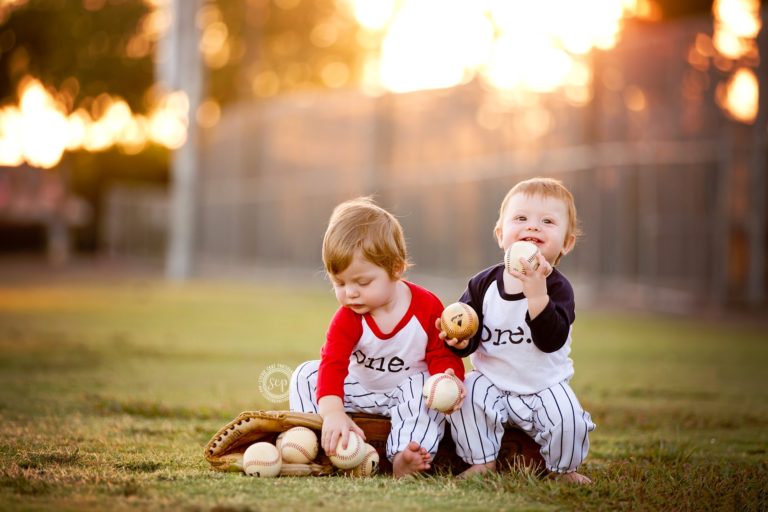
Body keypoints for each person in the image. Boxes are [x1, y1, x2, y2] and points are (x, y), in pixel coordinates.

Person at [289, 197, 466, 478]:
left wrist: (449, 379)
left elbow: (442, 355)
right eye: (340, 283)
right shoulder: (348, 316)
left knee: (427, 389)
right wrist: (333, 411)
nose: (350, 293)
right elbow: (333, 362)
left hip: (404, 393)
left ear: (396, 269)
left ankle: (404, 456)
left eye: (362, 282)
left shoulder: (426, 307)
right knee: (306, 374)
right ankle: (314, 442)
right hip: (360, 390)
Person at [439, 177, 596, 484]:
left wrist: (537, 293)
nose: (533, 227)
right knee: (466, 397)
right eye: (521, 218)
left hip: (544, 385)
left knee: (568, 420)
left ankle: (562, 469)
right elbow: (469, 333)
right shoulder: (482, 284)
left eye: (548, 221)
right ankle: (481, 462)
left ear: (567, 242)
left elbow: (551, 340)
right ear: (501, 234)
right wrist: (458, 342)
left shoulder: (559, 288)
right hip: (492, 382)